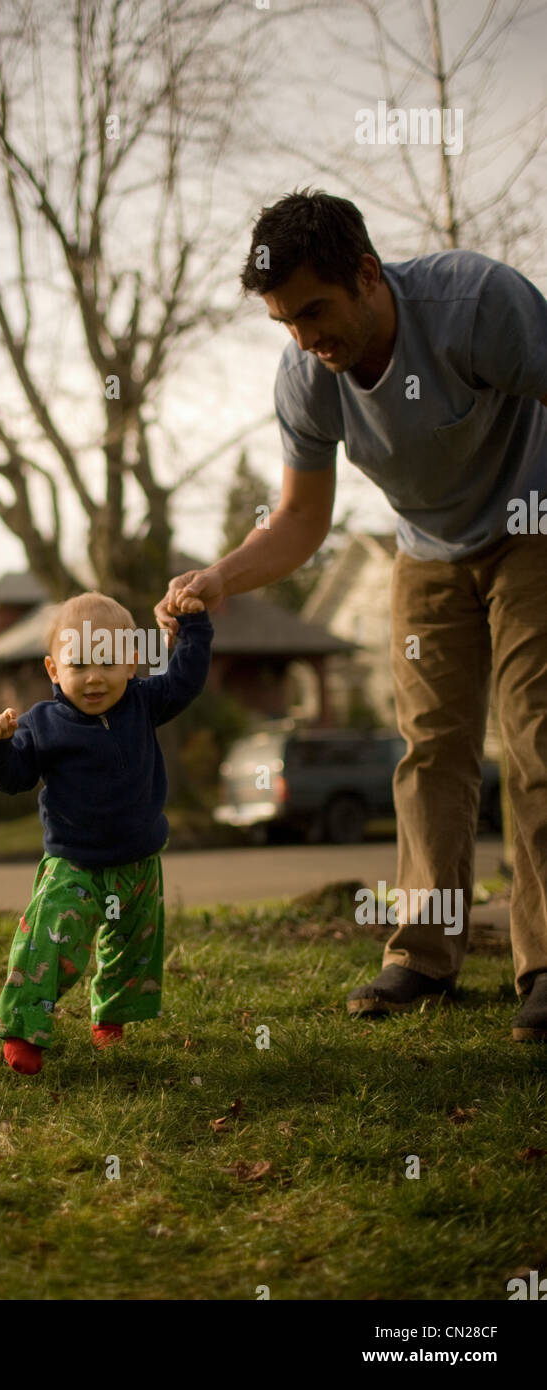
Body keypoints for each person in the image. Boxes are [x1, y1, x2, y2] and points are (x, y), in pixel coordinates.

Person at [155, 188, 547, 1042]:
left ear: (368, 276)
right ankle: (425, 956)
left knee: (534, 738)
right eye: (286, 321)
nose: (304, 337)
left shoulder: (477, 305)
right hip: (428, 548)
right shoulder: (307, 377)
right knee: (431, 750)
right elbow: (300, 519)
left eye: (315, 311)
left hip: (534, 524)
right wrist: (221, 576)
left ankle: (546, 966)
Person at [0, 589, 213, 1074]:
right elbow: (14, 778)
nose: (93, 677)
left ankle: (110, 1021)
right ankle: (23, 1030)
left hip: (139, 863)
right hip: (73, 864)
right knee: (49, 942)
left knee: (132, 949)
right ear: (53, 670)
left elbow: (186, 679)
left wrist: (194, 629)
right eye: (78, 664)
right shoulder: (43, 724)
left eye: (107, 661)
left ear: (131, 663)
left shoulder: (145, 703)